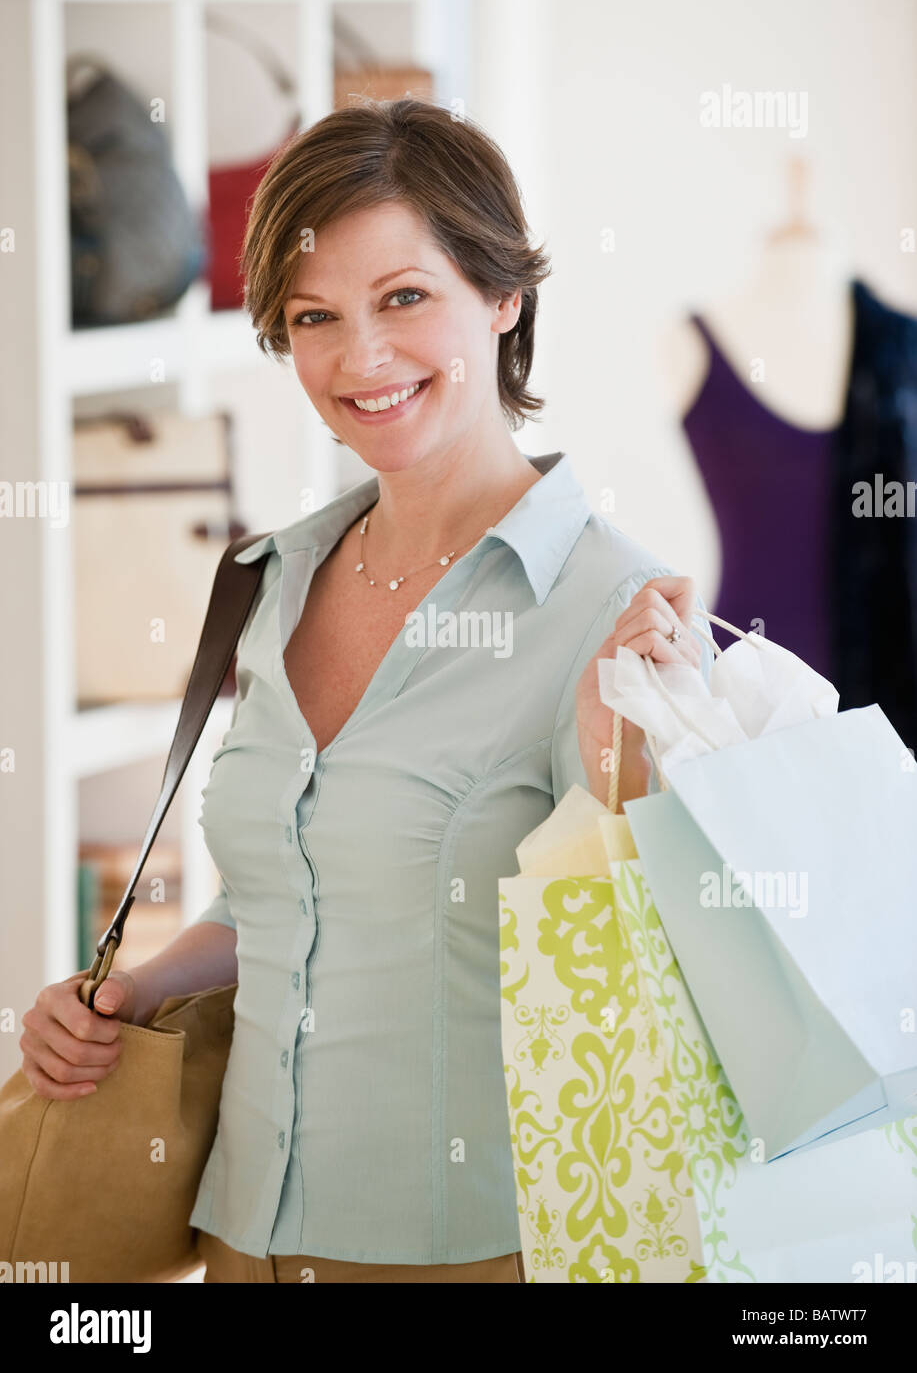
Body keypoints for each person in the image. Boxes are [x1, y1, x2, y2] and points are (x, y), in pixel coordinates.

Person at [18, 98, 708, 1284]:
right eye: (312, 318)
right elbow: (278, 900)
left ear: (502, 297)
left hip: (471, 1253)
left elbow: (655, 969)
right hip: (240, 1239)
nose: (359, 359)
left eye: (402, 298)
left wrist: (623, 772)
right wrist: (130, 991)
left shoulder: (617, 613)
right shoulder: (266, 583)